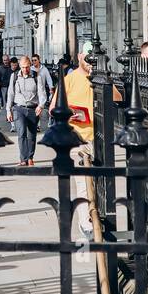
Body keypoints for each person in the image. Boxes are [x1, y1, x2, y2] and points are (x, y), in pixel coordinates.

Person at [49, 53, 95, 233]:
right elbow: (53, 108)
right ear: (80, 57)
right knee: (83, 183)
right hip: (76, 138)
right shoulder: (69, 79)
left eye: (93, 58)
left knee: (98, 183)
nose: (90, 62)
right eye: (87, 58)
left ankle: (97, 218)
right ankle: (86, 224)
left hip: (98, 138)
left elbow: (117, 98)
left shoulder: (100, 77)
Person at [6, 56, 43, 166]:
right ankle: (23, 159)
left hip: (33, 108)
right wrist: (8, 110)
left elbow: (42, 93)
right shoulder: (14, 76)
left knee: (31, 134)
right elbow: (10, 94)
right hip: (19, 108)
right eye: (22, 67)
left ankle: (30, 157)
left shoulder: (37, 76)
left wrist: (40, 106)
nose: (25, 70)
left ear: (30, 65)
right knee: (21, 133)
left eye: (27, 67)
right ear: (19, 66)